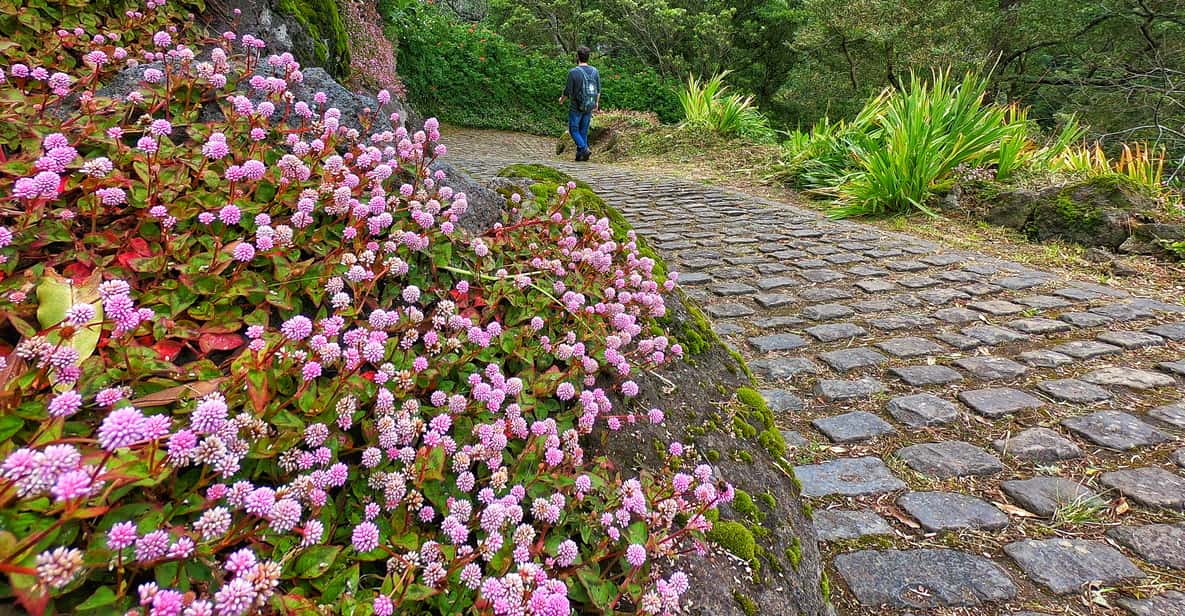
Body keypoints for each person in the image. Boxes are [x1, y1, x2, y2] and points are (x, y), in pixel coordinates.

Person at [559, 46, 600, 162]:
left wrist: (561, 100)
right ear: (588, 57)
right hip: (589, 105)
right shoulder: (595, 71)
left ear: (577, 57)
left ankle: (584, 148)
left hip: (576, 106)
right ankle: (580, 155)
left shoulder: (573, 72)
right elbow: (598, 90)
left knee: (573, 130)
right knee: (583, 130)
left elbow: (567, 91)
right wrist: (596, 103)